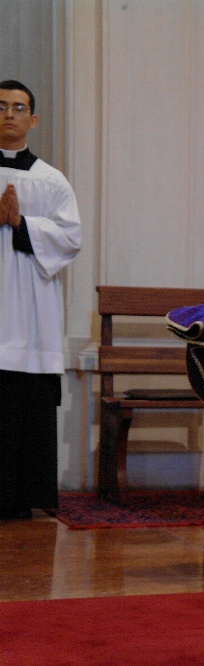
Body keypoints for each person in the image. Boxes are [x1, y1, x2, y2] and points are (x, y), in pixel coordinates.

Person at [0, 80, 81, 520]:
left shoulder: (51, 181)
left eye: (18, 107)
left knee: (22, 402)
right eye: (0, 106)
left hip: (30, 313)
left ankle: (21, 498)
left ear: (33, 119)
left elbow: (71, 239)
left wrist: (22, 223)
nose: (9, 114)